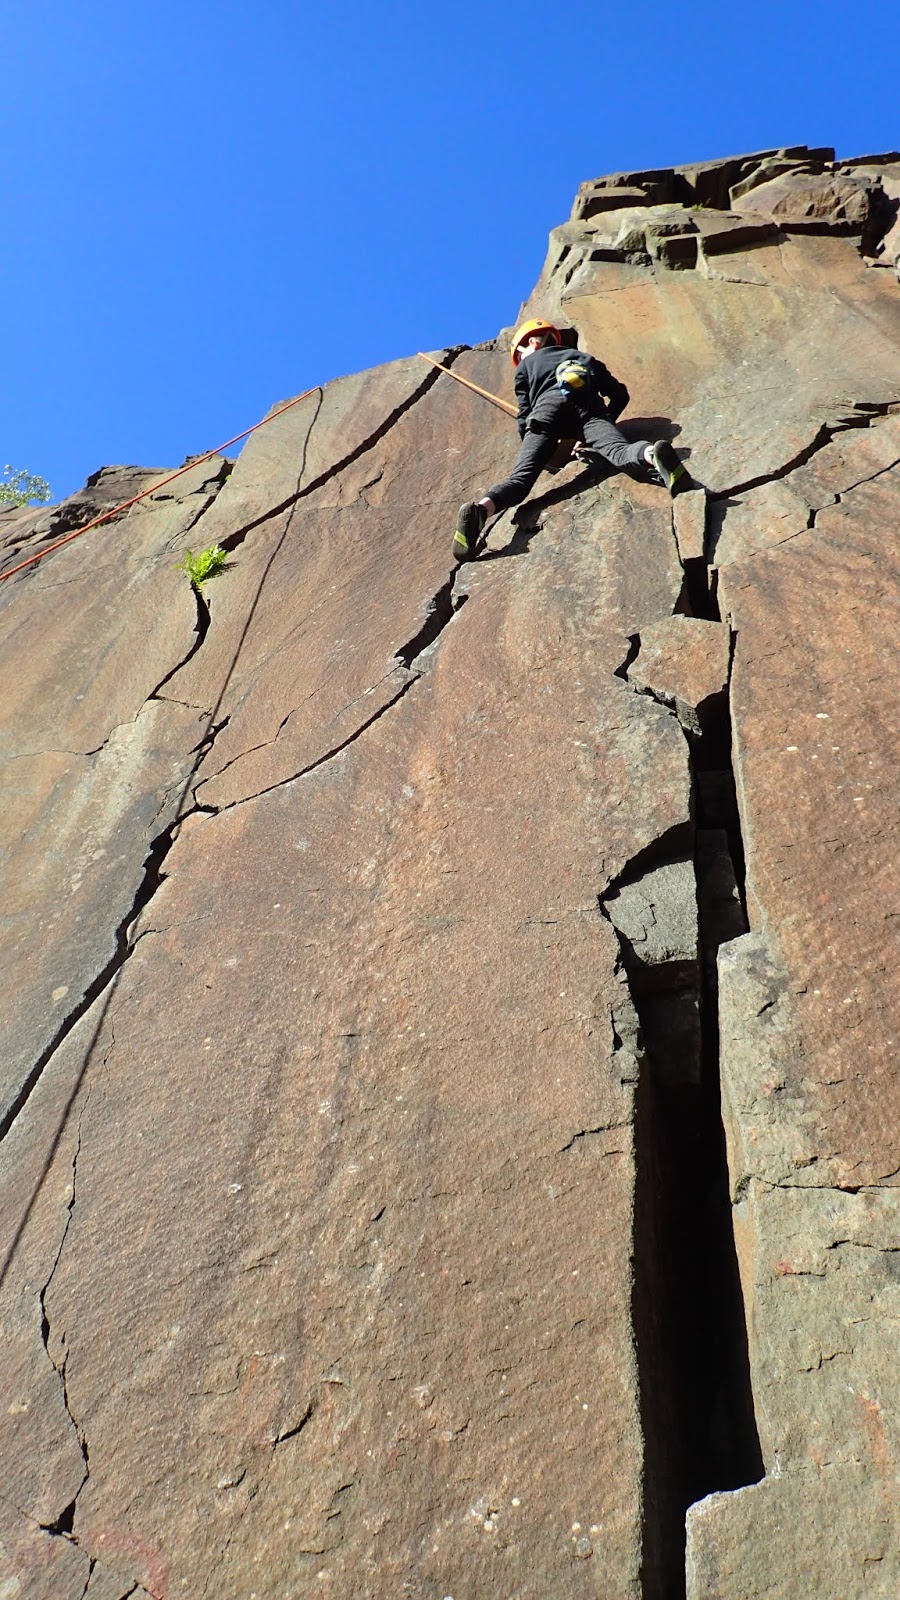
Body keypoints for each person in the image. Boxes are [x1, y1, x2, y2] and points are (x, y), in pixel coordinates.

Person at [452, 319, 690, 562]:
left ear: (533, 341)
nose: (521, 358)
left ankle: (481, 510)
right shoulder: (582, 357)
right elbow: (620, 394)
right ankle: (652, 455)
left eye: (520, 352)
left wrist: (544, 453)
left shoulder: (526, 367)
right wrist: (601, 424)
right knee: (620, 451)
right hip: (589, 412)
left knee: (520, 480)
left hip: (545, 414)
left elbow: (524, 418)